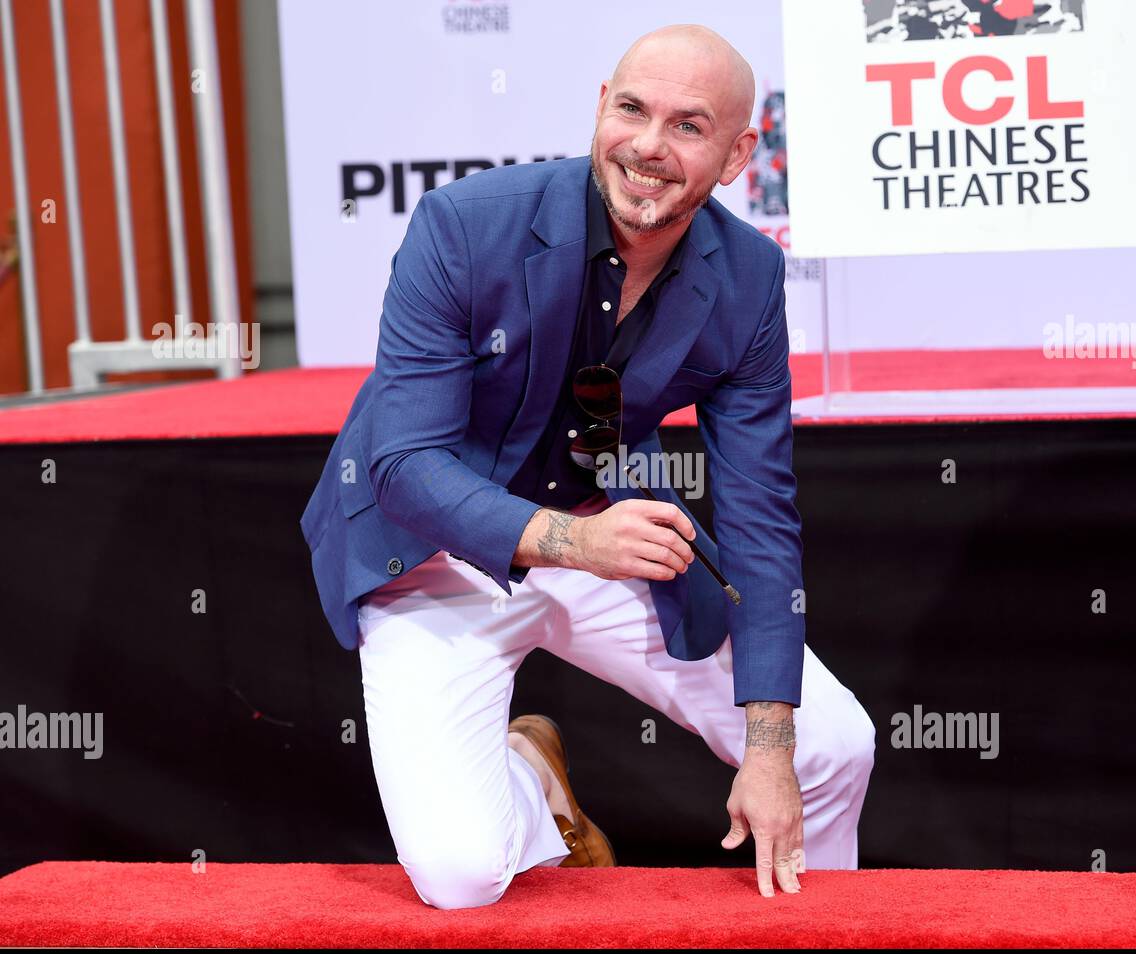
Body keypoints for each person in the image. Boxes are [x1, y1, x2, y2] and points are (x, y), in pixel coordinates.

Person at [299, 23, 876, 908]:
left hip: (603, 524)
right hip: (431, 551)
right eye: (633, 110)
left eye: (688, 126)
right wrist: (573, 543)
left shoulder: (751, 277)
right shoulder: (465, 226)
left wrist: (769, 751)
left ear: (736, 155)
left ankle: (824, 926)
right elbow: (403, 464)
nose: (648, 146)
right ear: (600, 107)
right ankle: (534, 775)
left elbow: (761, 514)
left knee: (830, 744)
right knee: (460, 875)